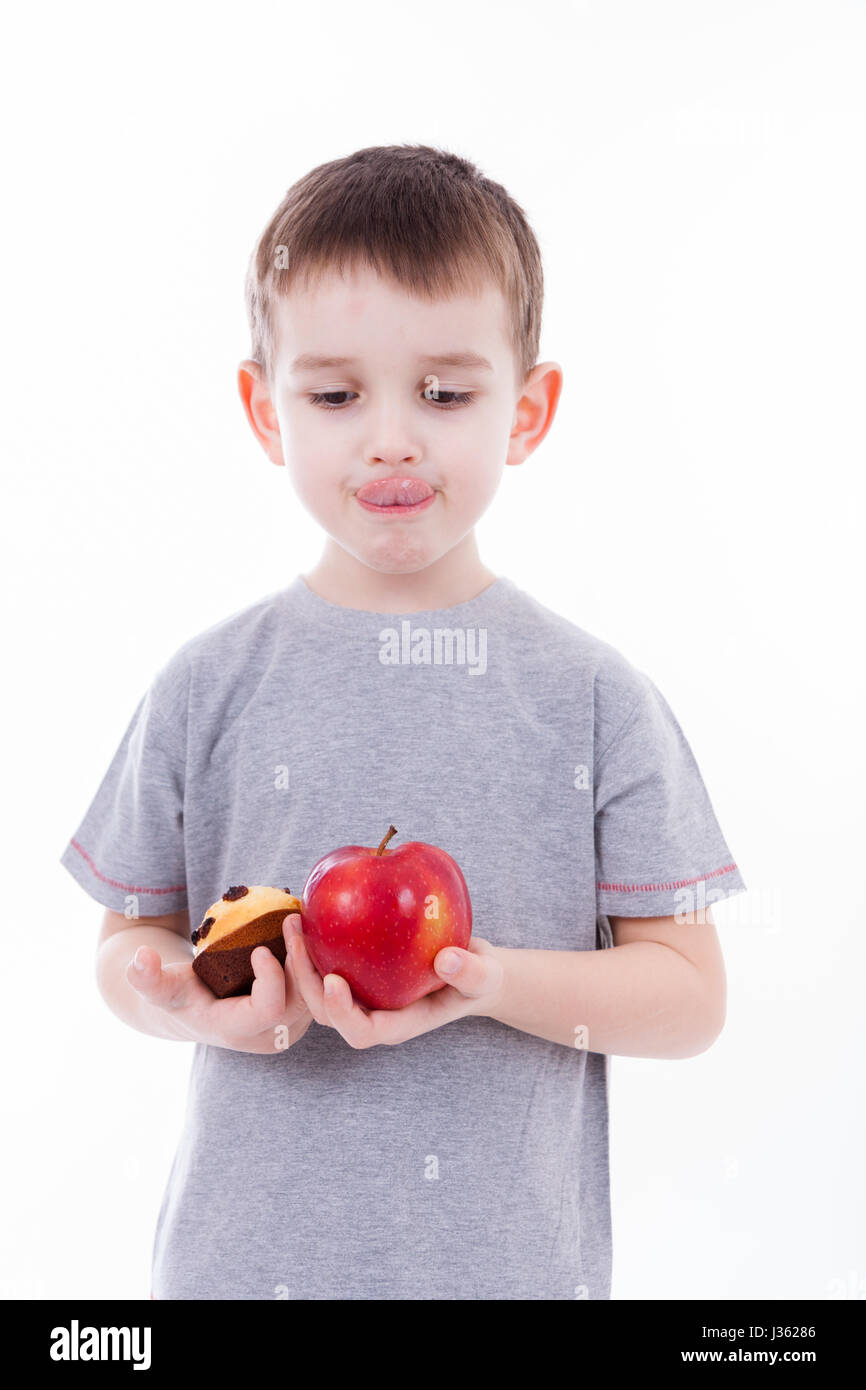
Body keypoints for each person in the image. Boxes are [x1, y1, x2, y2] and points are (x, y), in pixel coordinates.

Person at [60, 144, 747, 1300]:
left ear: (527, 411)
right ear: (262, 409)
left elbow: (687, 999)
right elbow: (127, 943)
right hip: (242, 1274)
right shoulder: (205, 686)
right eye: (333, 395)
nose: (389, 438)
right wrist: (181, 1000)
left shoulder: (591, 698)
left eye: (444, 392)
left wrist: (485, 983)